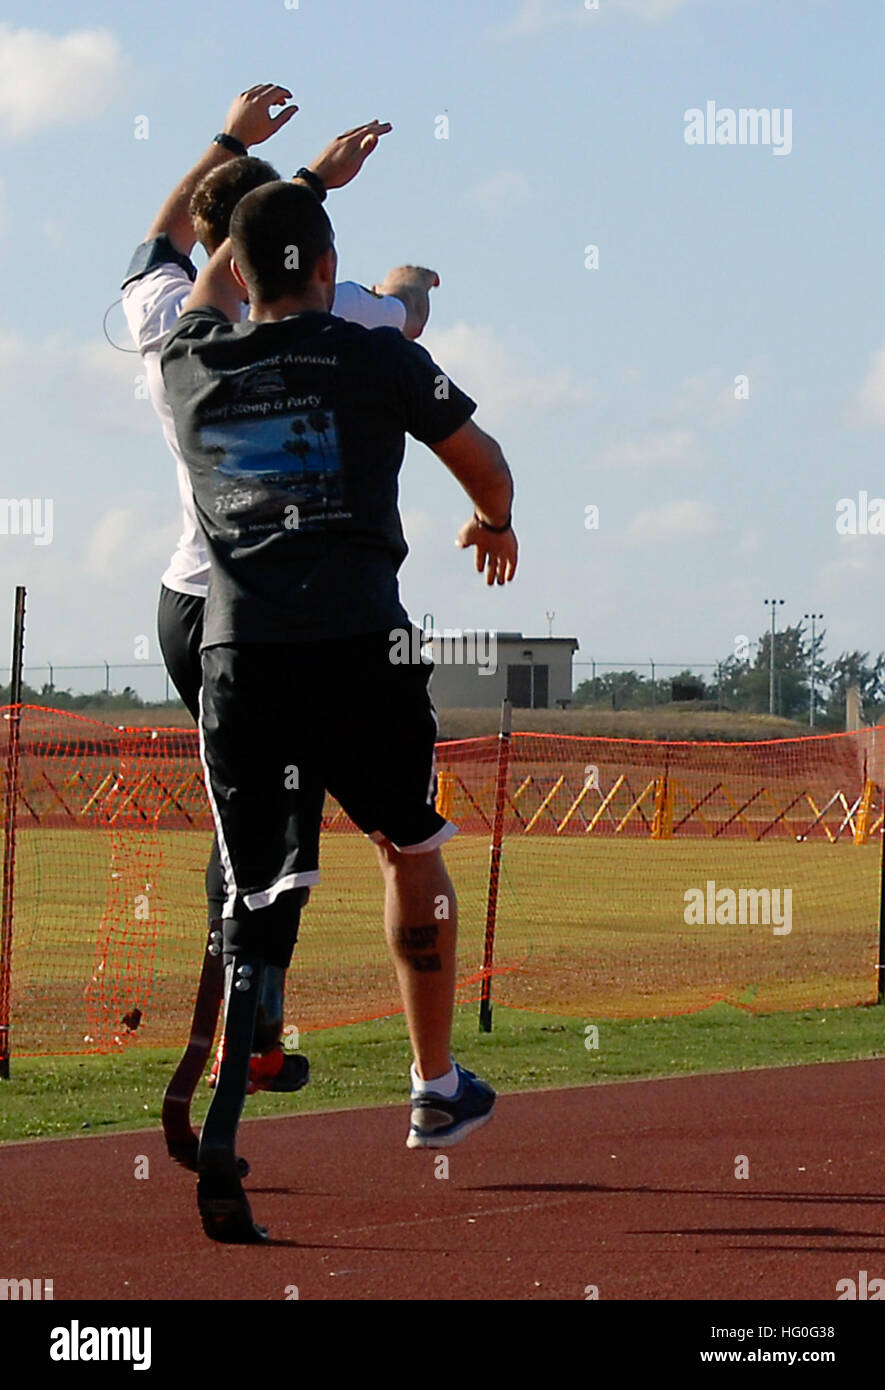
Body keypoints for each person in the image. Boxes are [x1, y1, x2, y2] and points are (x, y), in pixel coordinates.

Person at [161, 180, 518, 1242]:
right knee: (410, 844)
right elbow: (484, 462)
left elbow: (214, 279)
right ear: (324, 269)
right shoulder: (374, 356)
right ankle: (436, 1081)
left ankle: (227, 1125)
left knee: (259, 894)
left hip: (240, 657)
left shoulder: (186, 365)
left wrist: (252, 218)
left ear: (232, 266)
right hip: (363, 647)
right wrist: (495, 522)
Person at [121, 85, 439, 1168]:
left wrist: (236, 142)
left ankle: (252, 1019)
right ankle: (264, 1030)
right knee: (314, 840)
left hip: (188, 601)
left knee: (247, 824)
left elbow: (154, 245)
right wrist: (413, 281)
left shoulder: (172, 319)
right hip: (293, 607)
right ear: (295, 249)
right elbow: (408, 317)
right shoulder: (339, 306)